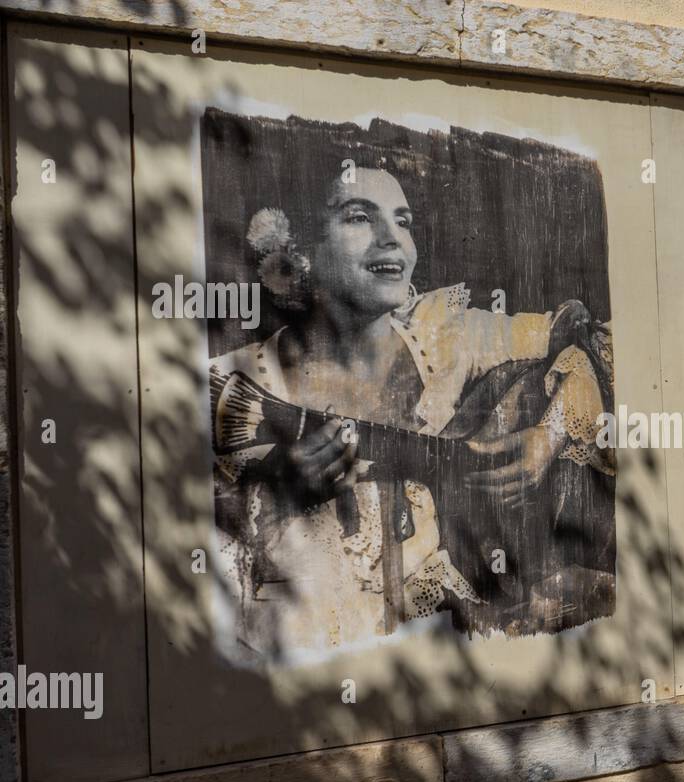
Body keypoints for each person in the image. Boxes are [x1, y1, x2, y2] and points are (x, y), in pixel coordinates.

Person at [210, 144, 613, 665]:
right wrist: (279, 492)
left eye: (403, 222)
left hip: (434, 653)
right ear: (297, 254)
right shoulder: (234, 387)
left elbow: (592, 339)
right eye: (359, 217)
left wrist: (546, 437)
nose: (391, 239)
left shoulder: (447, 336)